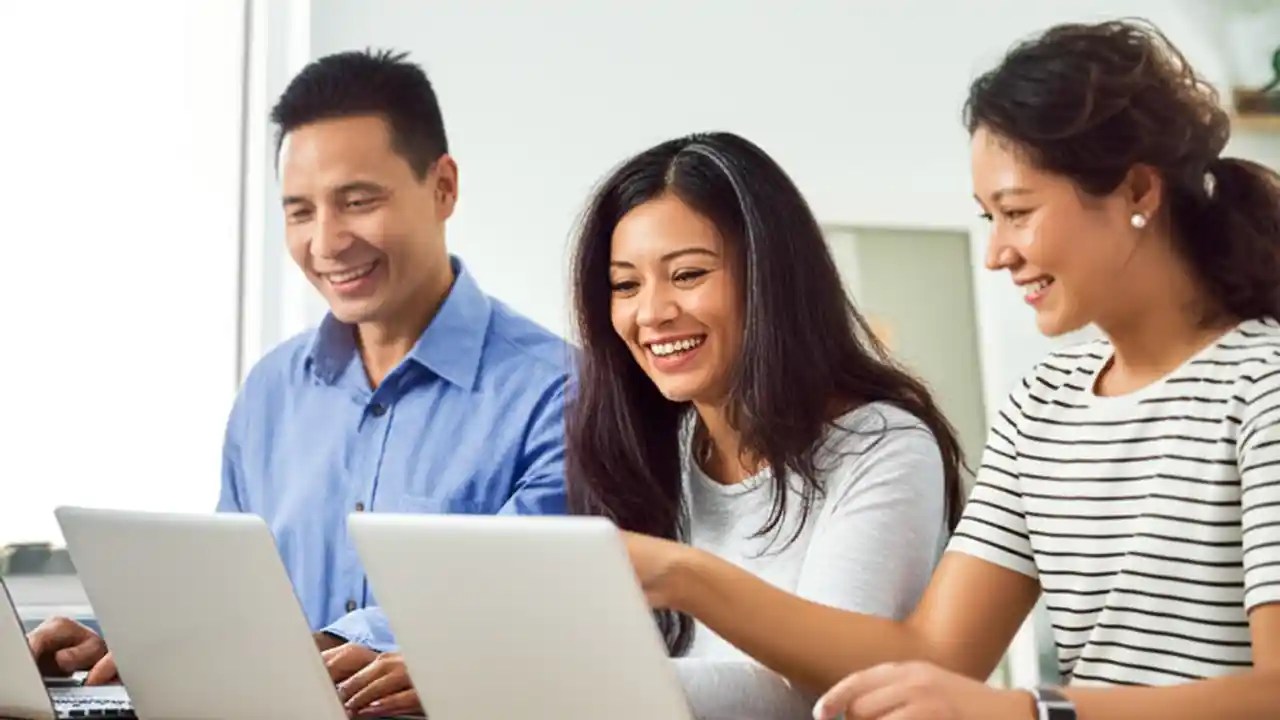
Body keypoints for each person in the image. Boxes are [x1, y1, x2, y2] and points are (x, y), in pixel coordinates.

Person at [578, 21, 1280, 720]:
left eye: (1018, 213)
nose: (997, 254)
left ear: (1137, 192)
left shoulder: (1262, 389)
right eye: (988, 220)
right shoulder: (1043, 404)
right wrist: (683, 577)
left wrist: (1033, 713)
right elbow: (934, 654)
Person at [335, 131, 967, 718]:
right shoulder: (649, 446)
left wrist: (516, 677)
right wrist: (462, 668)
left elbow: (821, 693)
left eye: (689, 275)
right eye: (625, 285)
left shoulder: (884, 448)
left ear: (772, 277)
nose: (652, 313)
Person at [25, 48, 571, 695]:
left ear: (443, 187)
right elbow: (227, 600)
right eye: (300, 211)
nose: (326, 243)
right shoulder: (270, 394)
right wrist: (127, 644)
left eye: (358, 201)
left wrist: (330, 646)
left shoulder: (560, 394)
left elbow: (522, 609)